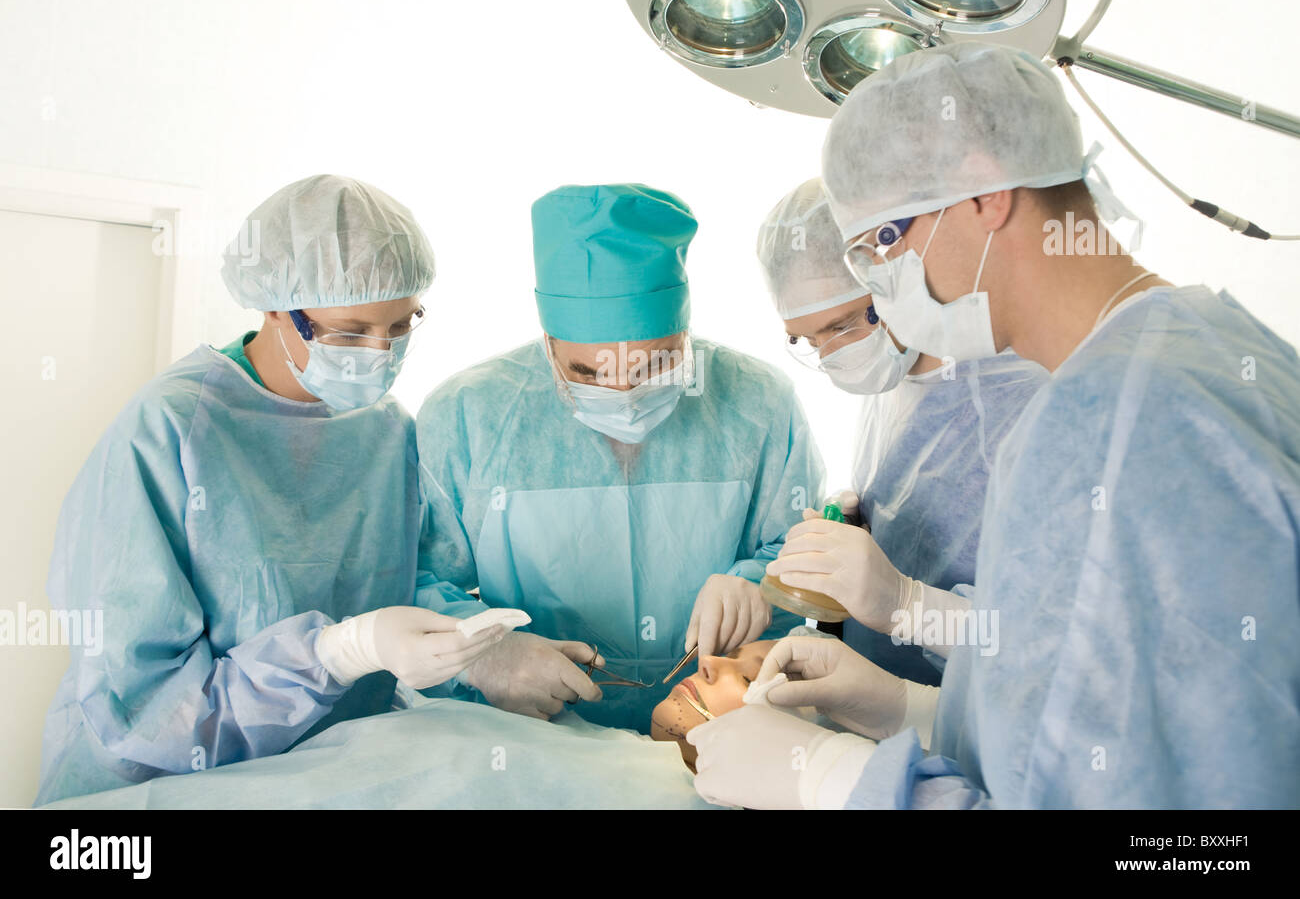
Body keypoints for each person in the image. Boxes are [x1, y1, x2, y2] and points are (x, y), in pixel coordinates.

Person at [690, 43, 1300, 808]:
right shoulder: (1212, 347)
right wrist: (912, 708)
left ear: (984, 191)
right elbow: (1085, 725)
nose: (883, 284)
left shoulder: (1113, 431)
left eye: (883, 243)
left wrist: (836, 778)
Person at [35, 175, 502, 805]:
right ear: (277, 307)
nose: (379, 353)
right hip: (162, 790)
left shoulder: (387, 429)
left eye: (400, 326)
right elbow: (142, 705)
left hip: (333, 774)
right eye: (349, 331)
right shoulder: (173, 428)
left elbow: (408, 577)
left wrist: (483, 646)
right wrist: (338, 653)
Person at [416, 184, 825, 731]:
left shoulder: (759, 400)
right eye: (588, 373)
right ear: (548, 340)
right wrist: (485, 652)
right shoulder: (469, 414)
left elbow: (807, 548)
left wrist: (759, 582)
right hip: (539, 732)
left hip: (719, 728)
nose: (624, 395)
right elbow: (416, 577)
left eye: (655, 367)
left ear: (684, 333)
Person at [755, 178, 1046, 685]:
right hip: (886, 711)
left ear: (895, 281)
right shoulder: (898, 375)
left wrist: (907, 604)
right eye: (806, 338)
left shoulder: (1029, 398)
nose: (832, 356)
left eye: (843, 325)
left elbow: (1059, 652)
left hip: (987, 724)